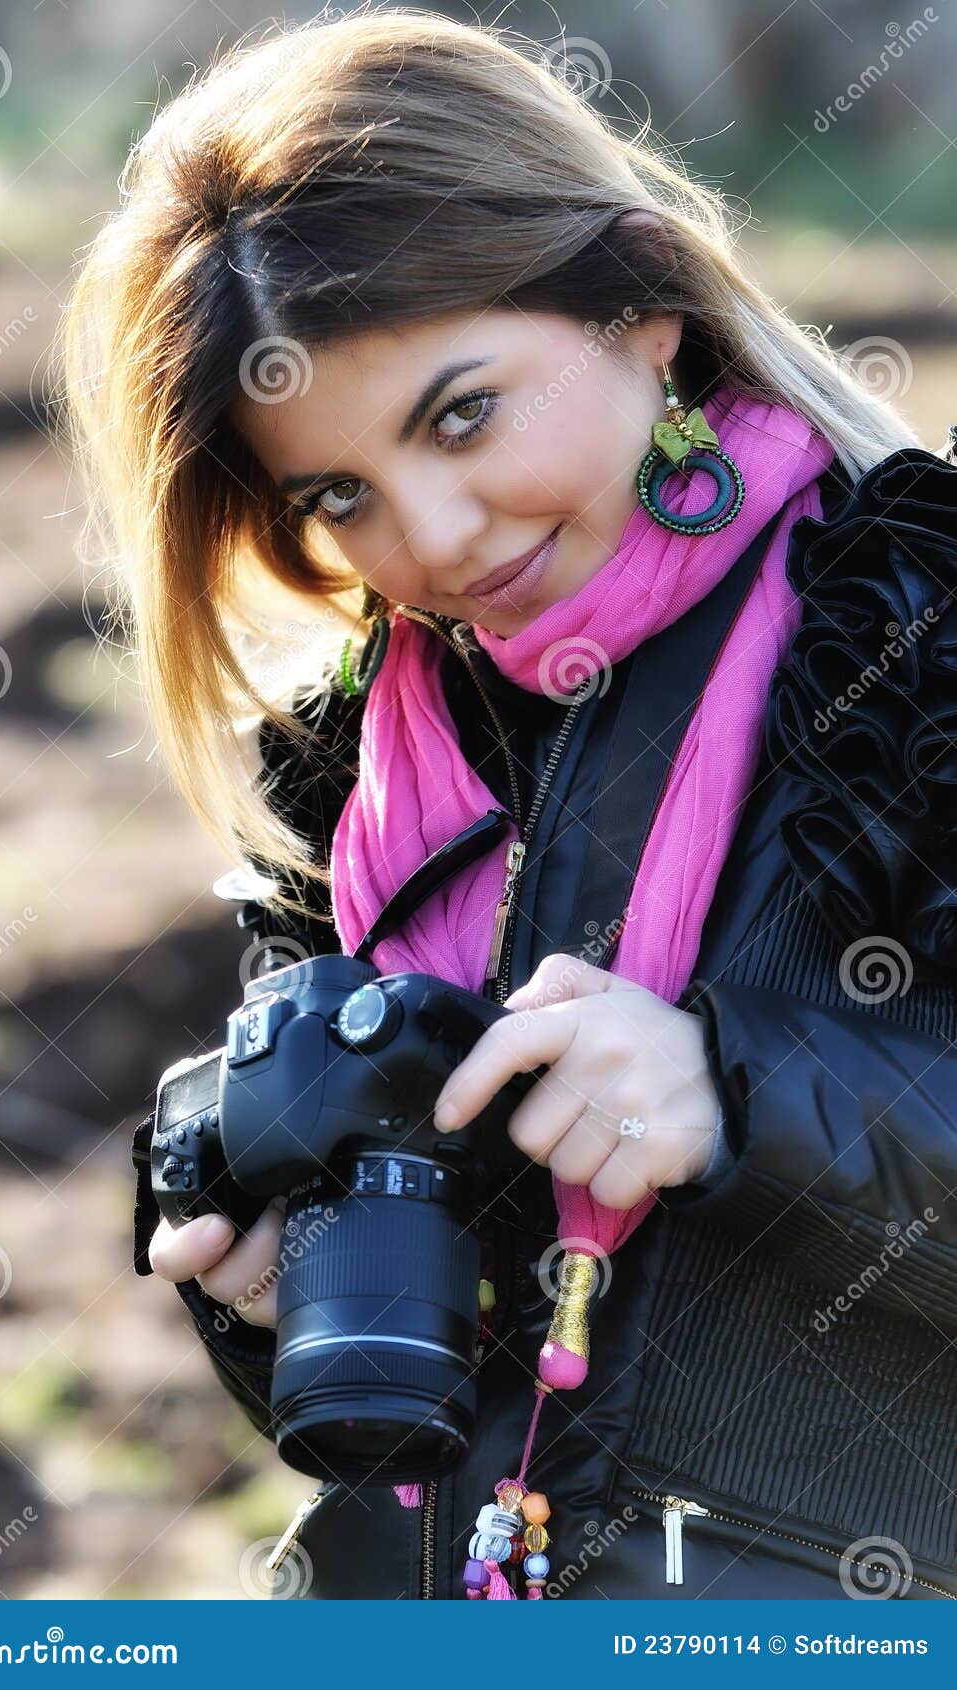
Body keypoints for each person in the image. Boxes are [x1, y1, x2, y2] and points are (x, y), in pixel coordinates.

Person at [59, 11, 957, 1600]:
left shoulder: (915, 633)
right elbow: (433, 1411)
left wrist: (735, 1087)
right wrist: (270, 1294)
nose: (437, 538)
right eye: (337, 494)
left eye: (461, 414)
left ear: (642, 306)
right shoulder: (357, 782)